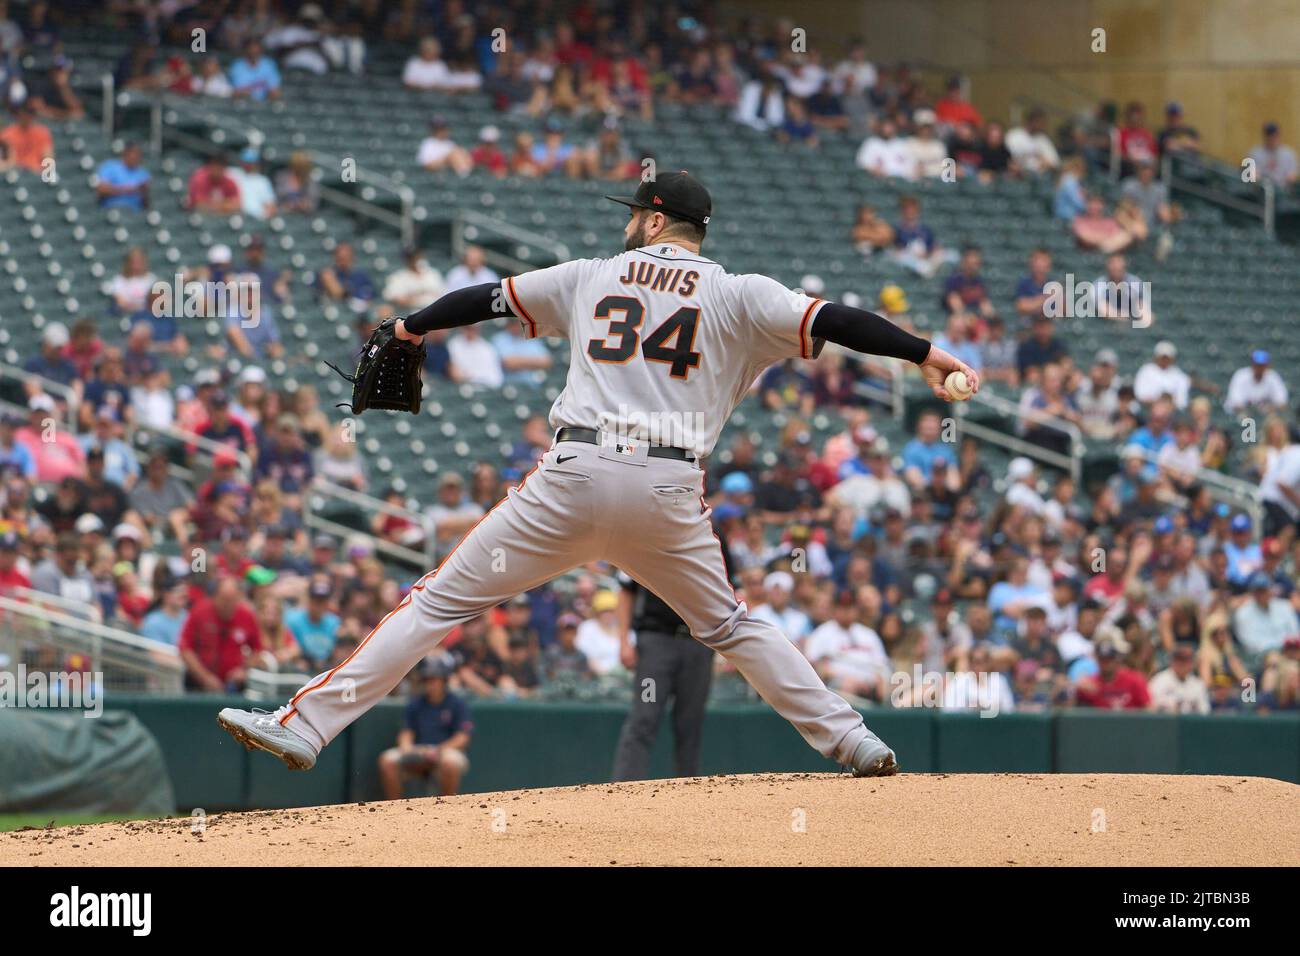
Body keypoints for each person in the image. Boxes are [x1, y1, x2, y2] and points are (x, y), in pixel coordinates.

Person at [218, 170, 980, 778]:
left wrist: (413, 327)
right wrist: (922, 353)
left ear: (654, 220)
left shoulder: (592, 275)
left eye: (634, 211)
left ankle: (305, 727)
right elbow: (840, 319)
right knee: (732, 628)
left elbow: (483, 300)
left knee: (435, 605)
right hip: (668, 489)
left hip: (573, 474)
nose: (627, 221)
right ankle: (854, 745)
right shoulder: (740, 293)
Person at [610, 572, 717, 781]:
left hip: (699, 644)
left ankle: (689, 793)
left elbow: (730, 592)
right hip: (656, 643)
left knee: (690, 723)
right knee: (644, 717)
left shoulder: (714, 538)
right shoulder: (642, 538)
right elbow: (625, 590)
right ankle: (624, 791)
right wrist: (624, 641)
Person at [377, 654, 471, 799]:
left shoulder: (456, 703)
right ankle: (394, 807)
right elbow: (406, 732)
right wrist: (407, 747)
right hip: (420, 751)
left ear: (443, 680)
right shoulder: (416, 703)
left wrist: (438, 750)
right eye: (426, 680)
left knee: (450, 762)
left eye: (434, 679)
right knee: (387, 760)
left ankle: (447, 806)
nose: (430, 684)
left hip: (444, 751)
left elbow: (462, 737)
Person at [95, 141, 150, 211]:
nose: (136, 157)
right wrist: (129, 189)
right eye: (133, 153)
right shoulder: (110, 167)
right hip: (112, 211)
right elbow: (101, 190)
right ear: (125, 154)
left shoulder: (143, 173)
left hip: (133, 213)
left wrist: (144, 192)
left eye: (138, 154)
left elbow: (145, 204)